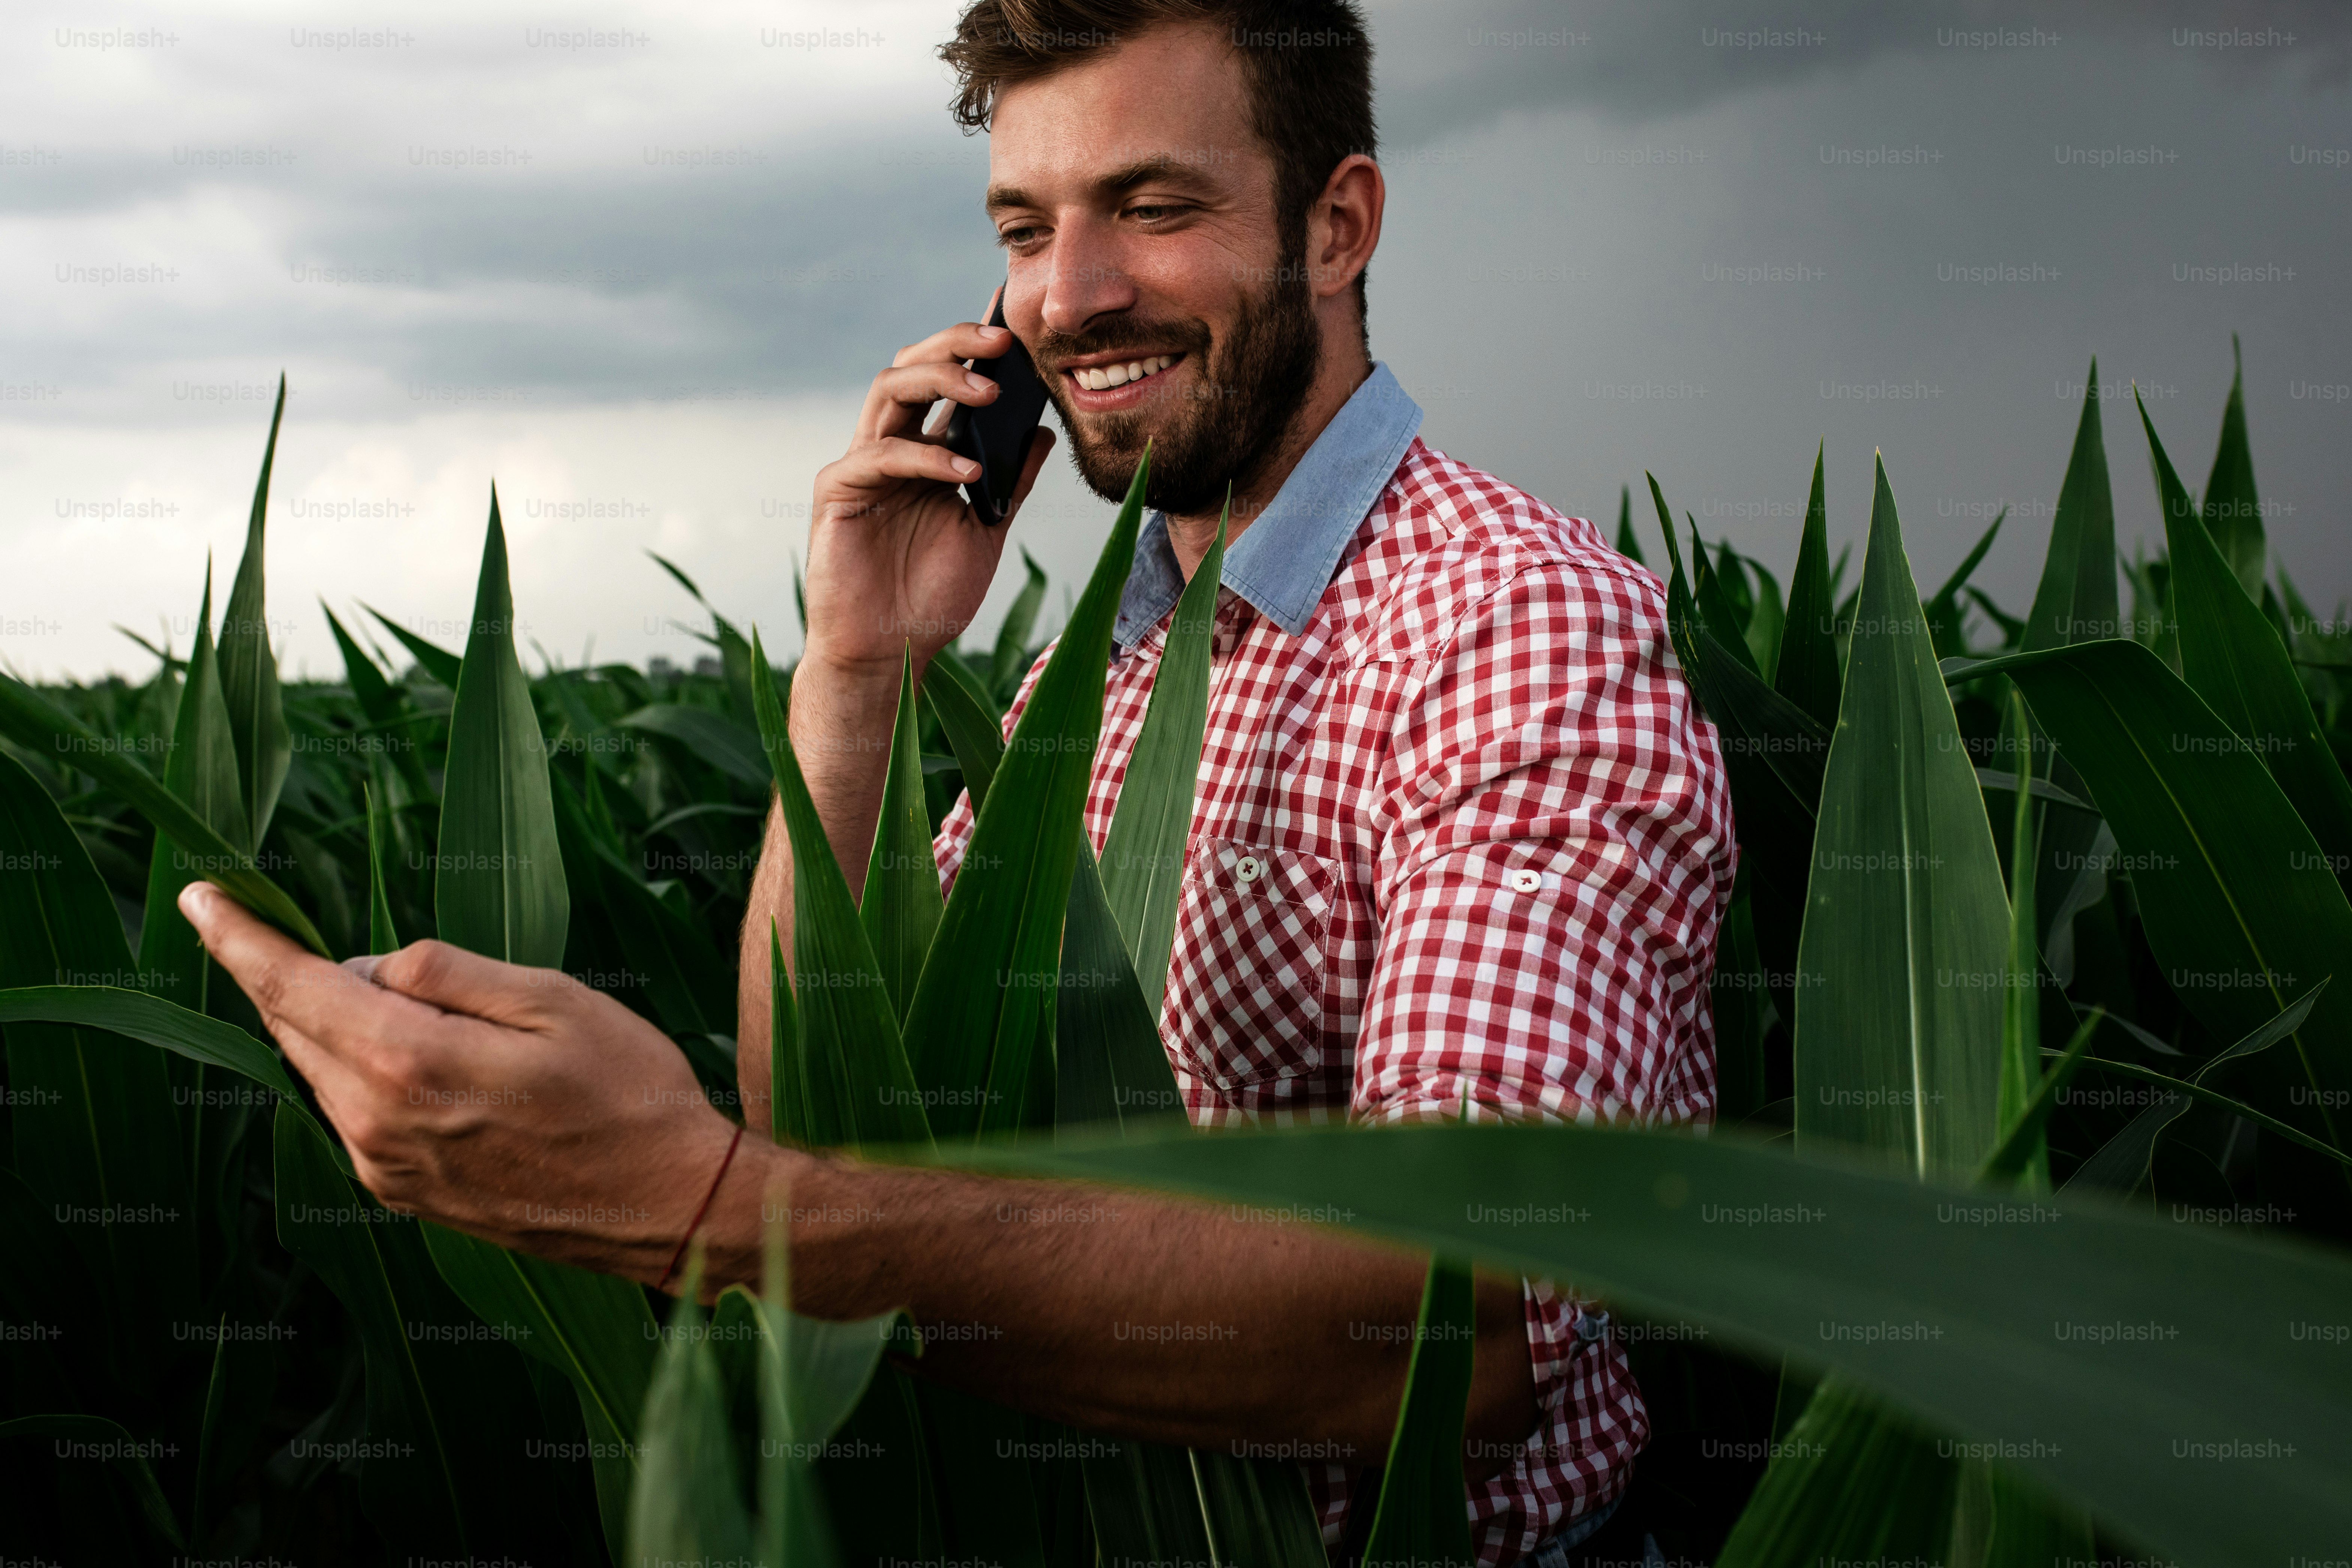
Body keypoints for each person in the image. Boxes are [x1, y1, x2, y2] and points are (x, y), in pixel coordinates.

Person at [184, 3, 1734, 1562]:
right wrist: (855, 677)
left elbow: (1460, 1317)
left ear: (1335, 229)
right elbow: (847, 1113)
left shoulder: (1507, 622)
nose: (1070, 296)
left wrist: (704, 1209)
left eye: (1151, 206)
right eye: (1024, 227)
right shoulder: (1115, 673)